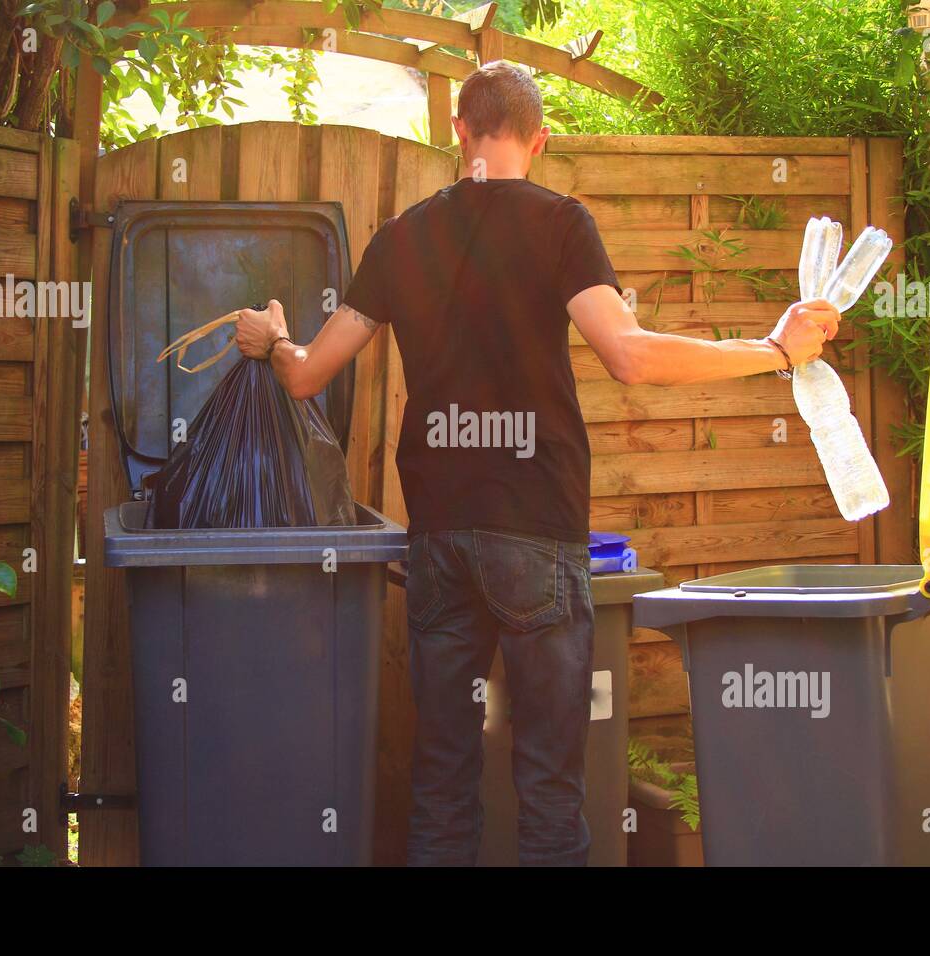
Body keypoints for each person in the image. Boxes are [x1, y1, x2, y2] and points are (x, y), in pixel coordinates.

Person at [235, 61, 840, 866]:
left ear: (456, 132)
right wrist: (772, 350)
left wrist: (271, 338)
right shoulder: (561, 224)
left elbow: (307, 373)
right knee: (551, 788)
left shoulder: (402, 237)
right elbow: (627, 355)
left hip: (442, 541)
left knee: (442, 782)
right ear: (540, 139)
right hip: (536, 537)